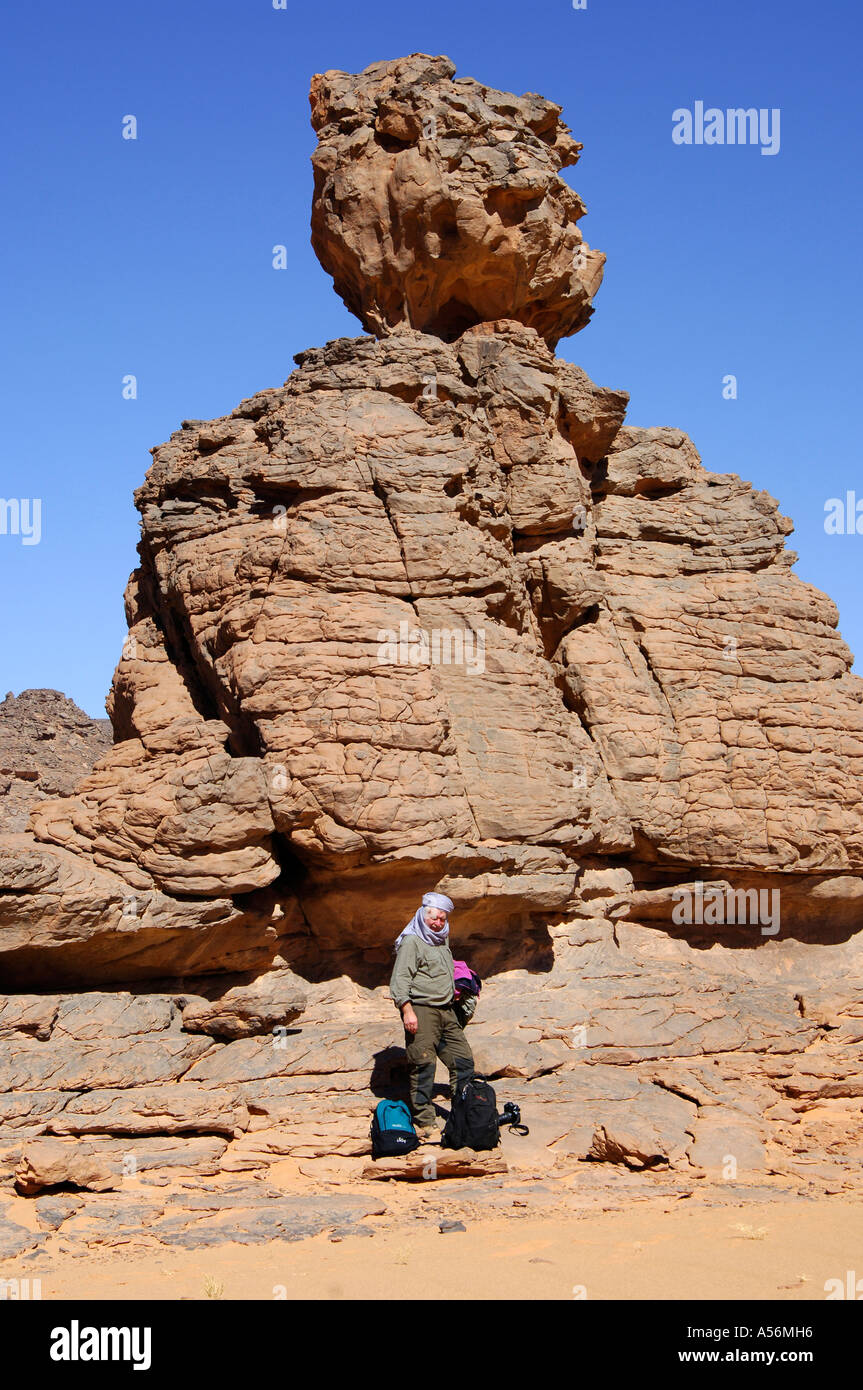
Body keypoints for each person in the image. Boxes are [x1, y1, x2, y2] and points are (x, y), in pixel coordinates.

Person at [389, 890, 475, 1138]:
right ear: (422, 915)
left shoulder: (441, 939)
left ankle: (462, 1112)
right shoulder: (412, 942)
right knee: (424, 1063)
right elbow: (400, 980)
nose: (438, 922)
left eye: (442, 918)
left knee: (463, 1061)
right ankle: (425, 1121)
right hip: (422, 1011)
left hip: (447, 1011)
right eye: (434, 917)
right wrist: (407, 1011)